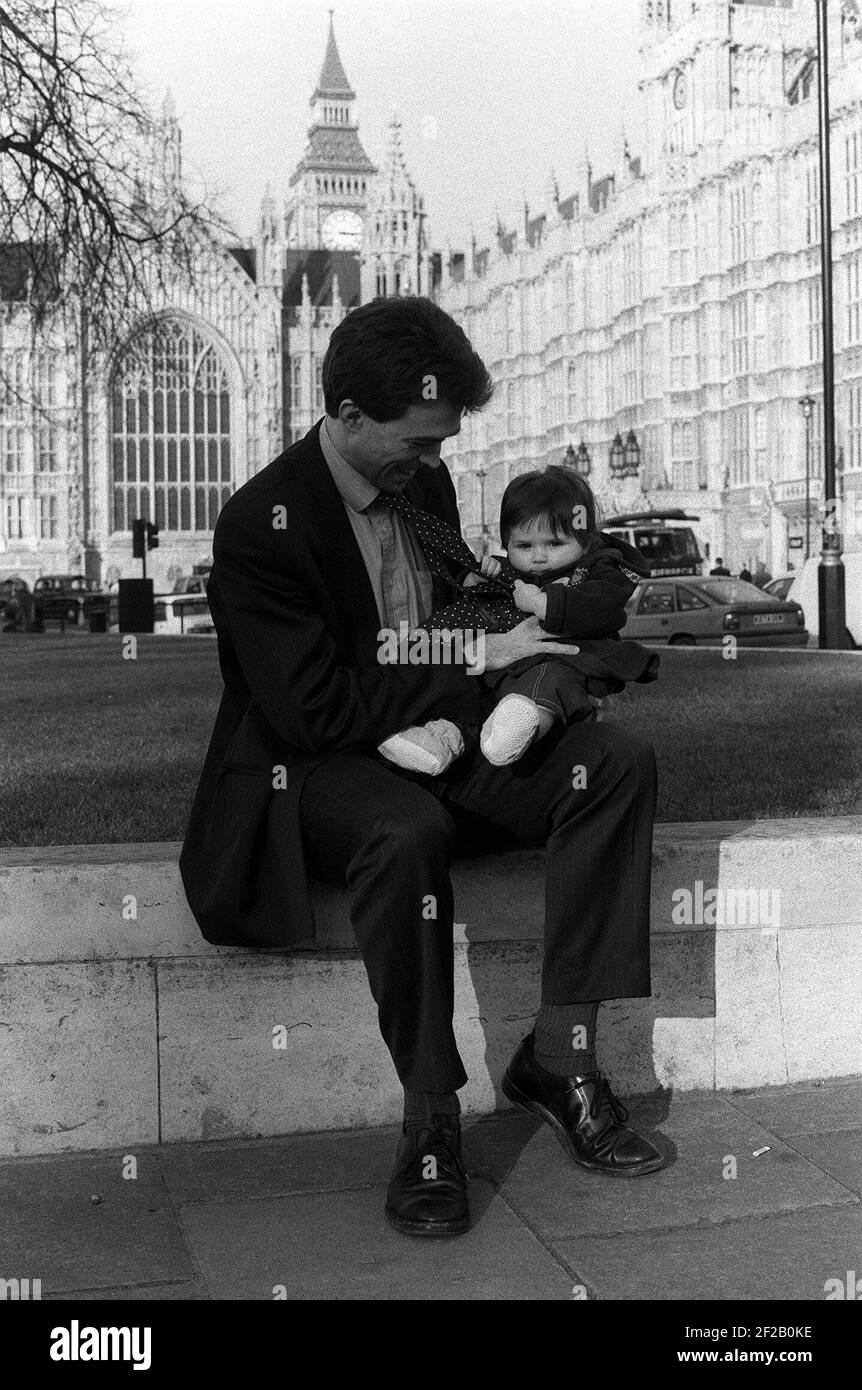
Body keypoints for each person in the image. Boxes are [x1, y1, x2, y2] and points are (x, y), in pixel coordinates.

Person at [180, 296, 666, 1241]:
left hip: (438, 734)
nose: (439, 463)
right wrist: (471, 663)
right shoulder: (260, 525)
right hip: (312, 770)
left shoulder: (424, 487)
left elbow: (464, 606)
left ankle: (559, 1058)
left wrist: (538, 635)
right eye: (421, 442)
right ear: (350, 416)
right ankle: (432, 1116)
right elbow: (313, 709)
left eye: (446, 444)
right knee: (408, 832)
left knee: (612, 763)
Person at [378, 465, 659, 775]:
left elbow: (601, 605)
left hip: (565, 661)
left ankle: (523, 729)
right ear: (506, 543)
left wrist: (545, 602)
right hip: (502, 669)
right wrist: (473, 579)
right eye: (524, 546)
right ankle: (440, 740)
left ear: (586, 540)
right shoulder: (510, 571)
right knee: (468, 690)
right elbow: (479, 603)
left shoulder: (598, 569)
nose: (538, 556)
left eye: (554, 544)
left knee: (548, 682)